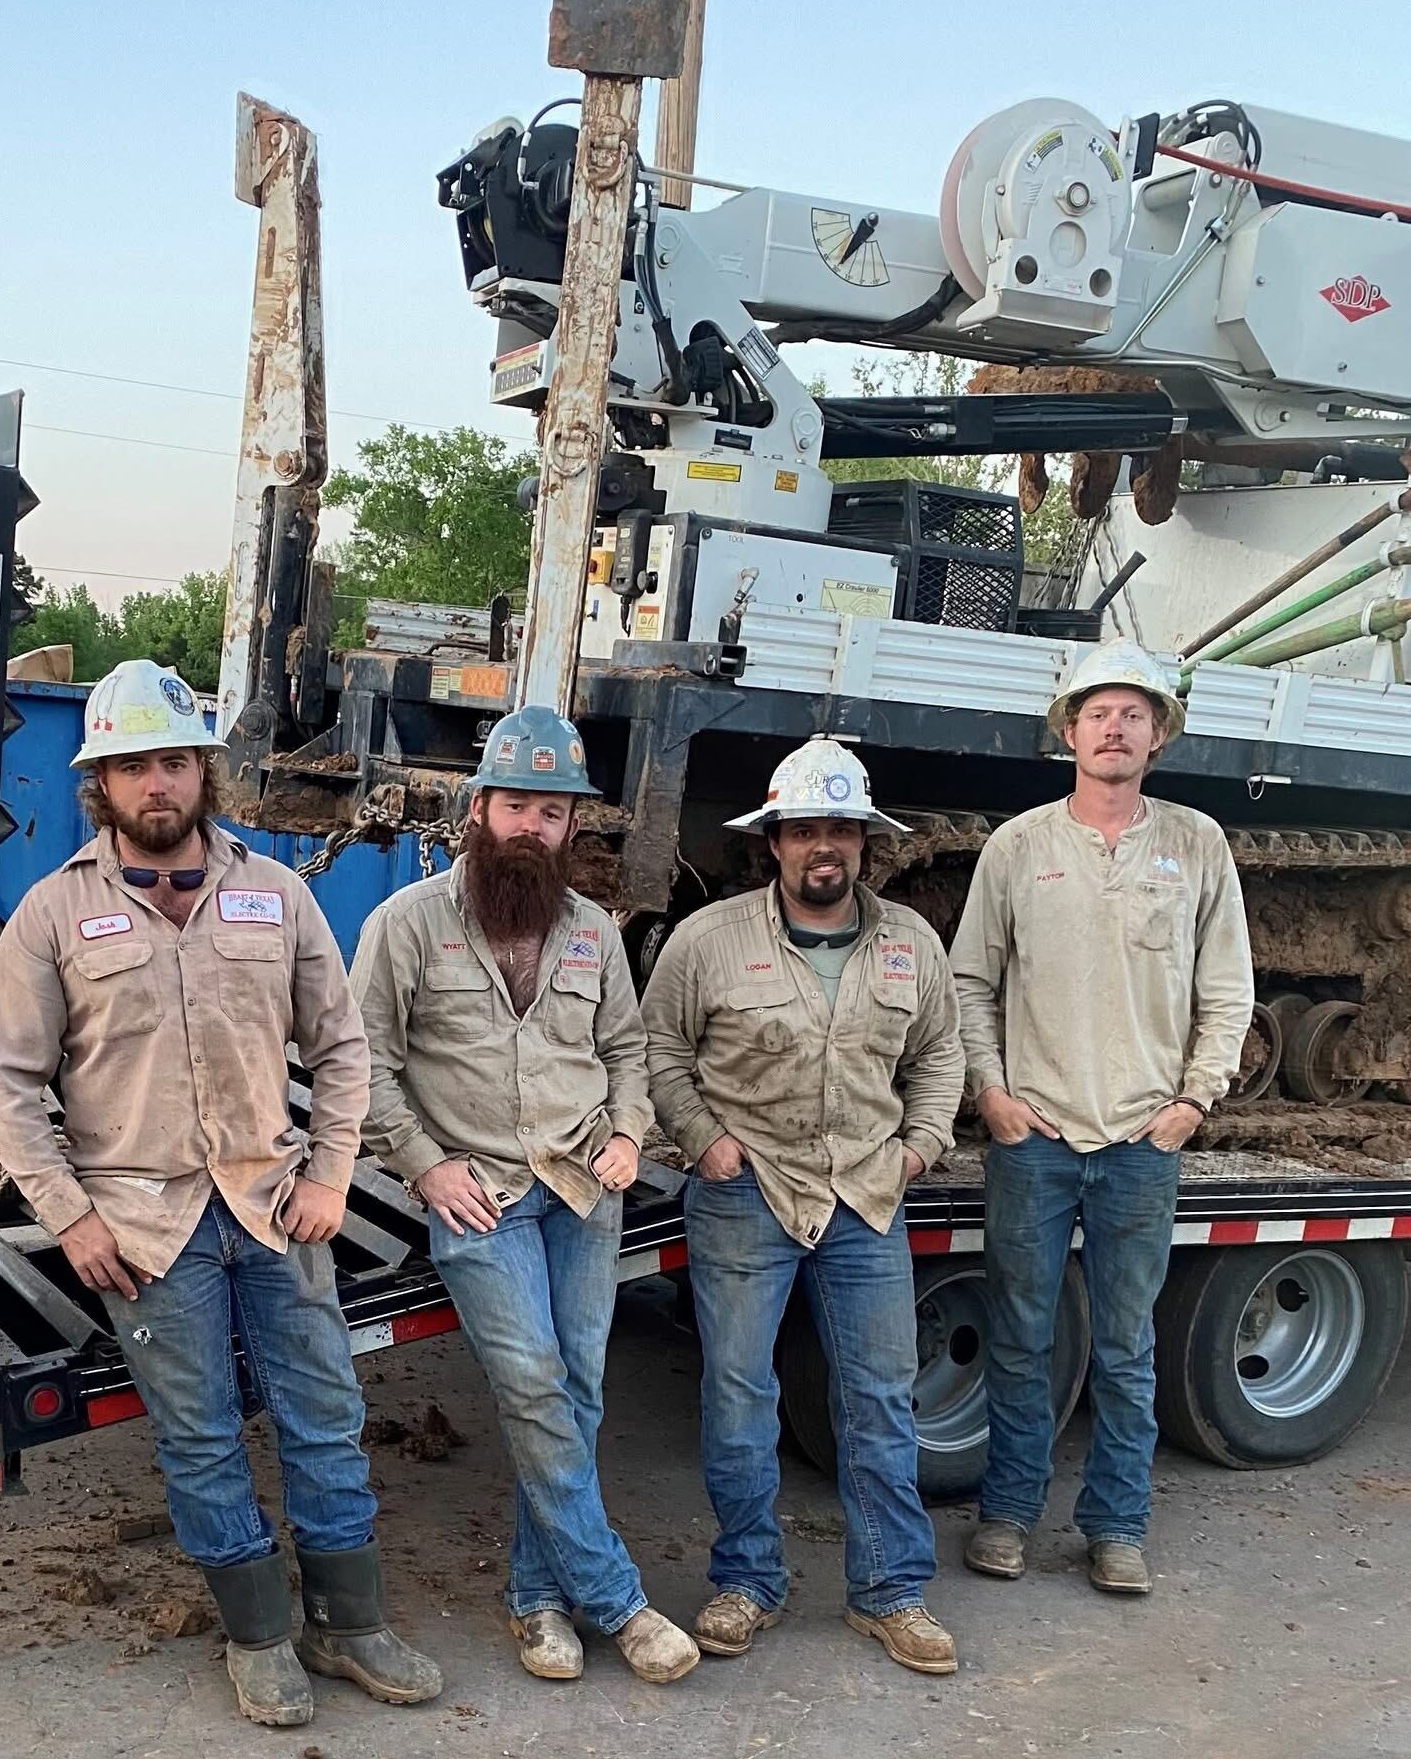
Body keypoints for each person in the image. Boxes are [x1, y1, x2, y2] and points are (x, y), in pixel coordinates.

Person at [0, 659, 441, 1729]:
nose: (156, 782)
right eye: (133, 764)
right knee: (197, 1433)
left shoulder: (273, 894)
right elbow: (9, 1082)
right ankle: (259, 1633)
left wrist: (330, 1172)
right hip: (142, 1227)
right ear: (100, 782)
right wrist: (69, 1216)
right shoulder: (53, 915)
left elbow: (341, 1043)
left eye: (174, 759)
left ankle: (350, 1622)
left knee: (324, 1414)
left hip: (275, 1209)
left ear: (204, 771)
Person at [352, 705, 700, 1686]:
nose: (530, 827)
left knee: (577, 1391)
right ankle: (617, 1599)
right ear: (478, 806)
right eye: (515, 804)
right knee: (535, 1385)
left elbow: (625, 1048)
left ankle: (534, 1595)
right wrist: (423, 1161)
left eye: (551, 812)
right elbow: (363, 1059)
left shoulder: (592, 929)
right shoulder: (405, 924)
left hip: (583, 1184)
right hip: (479, 1196)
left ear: (568, 825)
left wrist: (630, 1129)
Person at [642, 737, 966, 1676]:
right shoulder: (711, 942)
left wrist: (920, 1146)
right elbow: (660, 1050)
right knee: (740, 1396)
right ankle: (748, 1581)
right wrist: (705, 1140)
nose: (824, 845)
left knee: (878, 1398)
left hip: (868, 1194)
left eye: (842, 829)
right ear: (774, 841)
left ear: (865, 841)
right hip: (749, 1191)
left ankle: (891, 1594)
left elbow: (941, 1057)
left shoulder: (910, 943)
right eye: (805, 829)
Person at [952, 639, 1252, 1595]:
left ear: (1158, 733)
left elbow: (1228, 989)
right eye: (1096, 713)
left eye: (1133, 713)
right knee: (1019, 1338)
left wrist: (1193, 1099)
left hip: (1137, 1143)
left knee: (1126, 1349)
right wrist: (991, 1093)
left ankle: (1116, 1527)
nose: (1113, 728)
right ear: (1068, 732)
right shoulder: (1020, 847)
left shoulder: (1196, 845)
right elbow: (970, 981)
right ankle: (1006, 1516)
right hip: (1033, 1139)